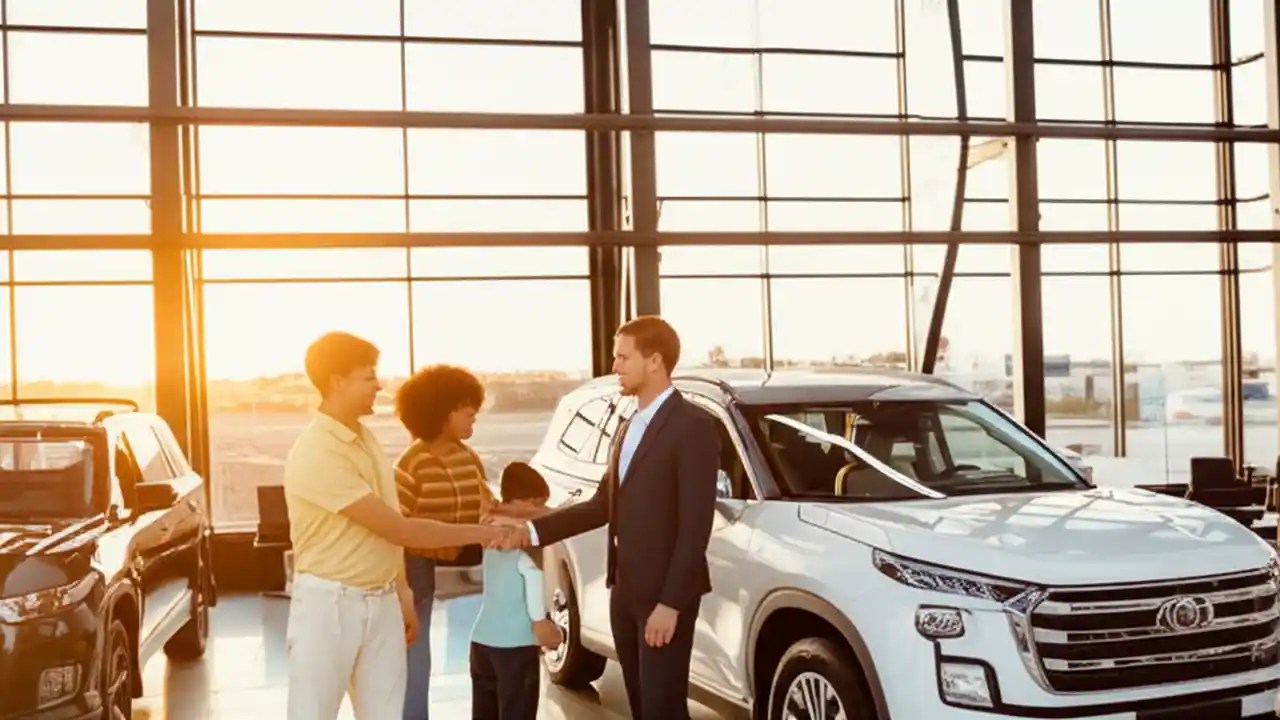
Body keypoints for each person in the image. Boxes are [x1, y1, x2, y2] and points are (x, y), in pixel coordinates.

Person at [494, 316, 720, 720]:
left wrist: (670, 604)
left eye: (623, 357)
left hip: (664, 598)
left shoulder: (694, 428)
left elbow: (695, 526)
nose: (615, 366)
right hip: (626, 594)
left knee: (662, 708)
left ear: (655, 361)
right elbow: (602, 505)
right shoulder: (628, 426)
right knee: (641, 705)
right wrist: (528, 531)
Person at [282, 332, 512, 720]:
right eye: (368, 376)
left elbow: (388, 534)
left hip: (382, 600)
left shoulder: (365, 438)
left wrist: (401, 593)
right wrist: (485, 533)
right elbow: (399, 529)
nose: (379, 385)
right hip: (330, 608)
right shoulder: (317, 451)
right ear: (337, 381)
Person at [393, 364, 497, 720]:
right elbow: (397, 528)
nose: (473, 417)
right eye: (467, 409)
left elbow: (484, 501)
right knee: (413, 645)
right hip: (414, 560)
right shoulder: (412, 463)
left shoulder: (468, 458)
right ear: (442, 412)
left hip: (462, 556)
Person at [469, 461, 563, 720]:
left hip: (482, 641)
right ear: (529, 501)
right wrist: (541, 623)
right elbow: (532, 577)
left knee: (484, 713)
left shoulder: (488, 527)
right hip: (515, 644)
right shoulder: (523, 538)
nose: (543, 510)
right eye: (539, 503)